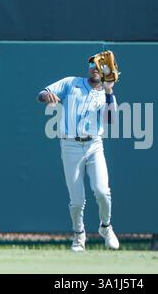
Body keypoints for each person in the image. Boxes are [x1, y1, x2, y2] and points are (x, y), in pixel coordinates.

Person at [37, 55, 119, 252]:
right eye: (92, 64)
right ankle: (79, 236)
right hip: (70, 146)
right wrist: (46, 96)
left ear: (108, 70)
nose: (94, 68)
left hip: (94, 145)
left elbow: (110, 120)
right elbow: (41, 93)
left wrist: (108, 91)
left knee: (102, 191)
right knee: (77, 200)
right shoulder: (71, 83)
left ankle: (106, 227)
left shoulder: (107, 95)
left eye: (99, 65)